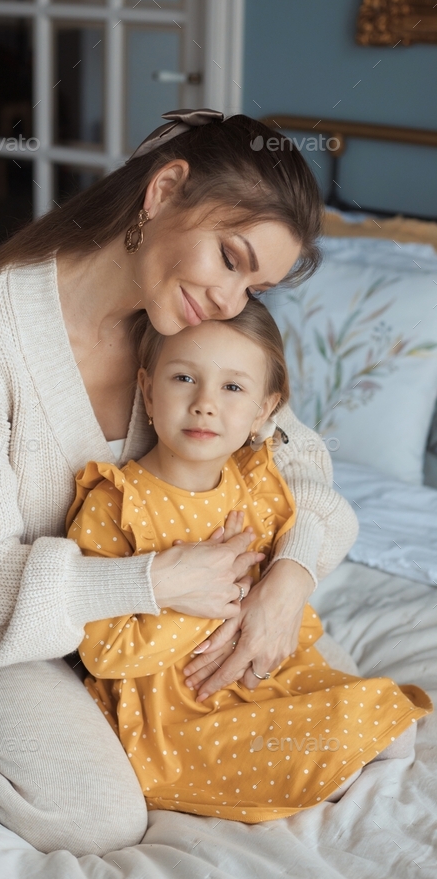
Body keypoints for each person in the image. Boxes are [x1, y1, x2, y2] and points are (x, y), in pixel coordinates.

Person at [0, 110, 361, 856]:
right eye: (229, 256)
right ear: (164, 190)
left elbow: (301, 459)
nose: (229, 301)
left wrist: (290, 573)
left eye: (256, 285)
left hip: (121, 621)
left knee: (332, 710)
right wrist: (152, 581)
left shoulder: (178, 333)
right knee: (97, 816)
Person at [66, 302, 433, 821]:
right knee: (328, 749)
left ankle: (313, 750)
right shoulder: (118, 501)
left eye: (233, 388)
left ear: (265, 411)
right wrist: (204, 604)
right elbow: (103, 652)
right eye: (184, 377)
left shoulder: (256, 482)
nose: (204, 404)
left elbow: (286, 604)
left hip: (255, 678)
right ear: (147, 390)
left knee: (389, 719)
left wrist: (258, 619)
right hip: (173, 708)